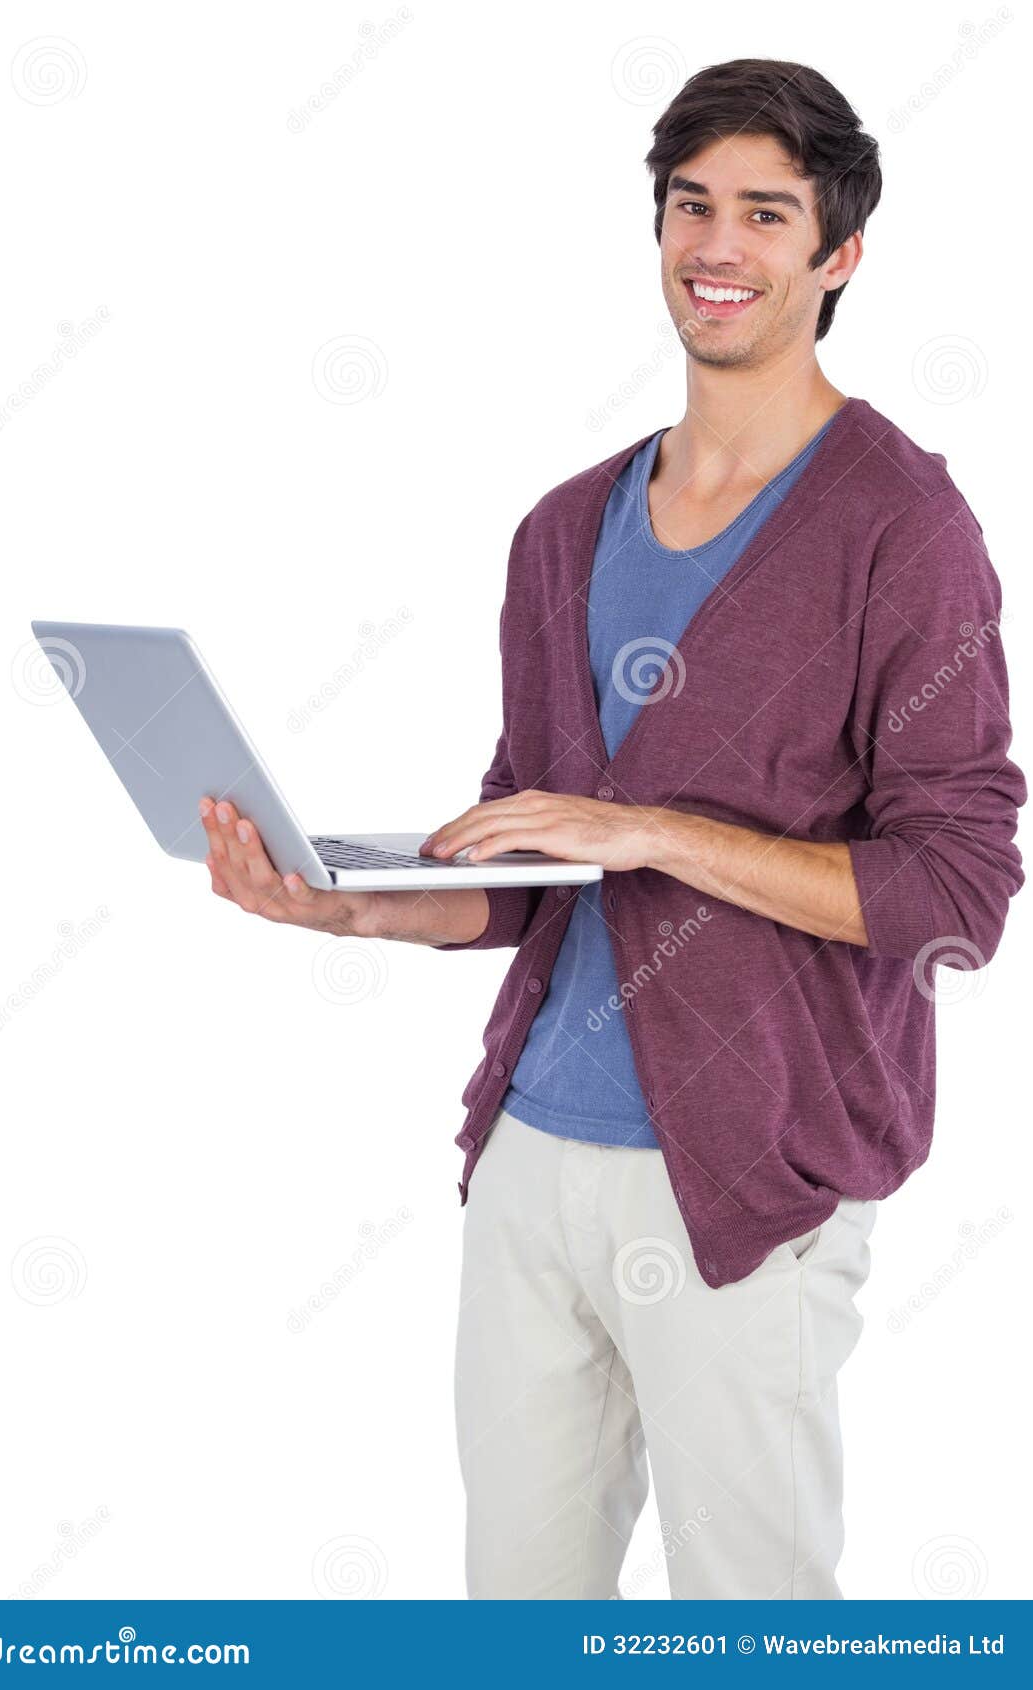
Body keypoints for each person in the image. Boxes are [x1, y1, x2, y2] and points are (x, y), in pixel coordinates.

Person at [197, 59, 1025, 1600]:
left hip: (747, 1179)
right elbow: (540, 870)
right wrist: (343, 907)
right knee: (517, 1621)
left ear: (837, 255)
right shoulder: (568, 524)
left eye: (765, 214)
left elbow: (960, 886)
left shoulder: (903, 530)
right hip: (529, 1162)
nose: (718, 244)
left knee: (754, 1628)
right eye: (692, 206)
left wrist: (656, 828)